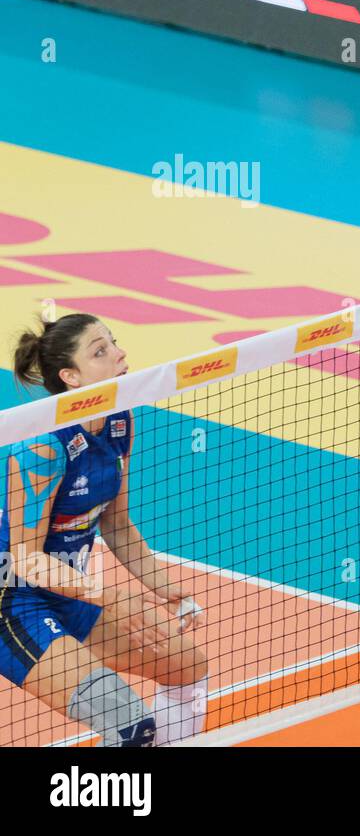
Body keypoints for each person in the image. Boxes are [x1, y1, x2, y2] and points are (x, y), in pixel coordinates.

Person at [4, 313, 208, 745]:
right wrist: (111, 595)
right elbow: (24, 559)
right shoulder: (41, 445)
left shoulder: (118, 420)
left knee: (185, 663)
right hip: (12, 599)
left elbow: (117, 525)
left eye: (113, 342)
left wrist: (167, 588)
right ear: (71, 377)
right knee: (131, 727)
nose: (120, 354)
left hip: (67, 590)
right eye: (100, 351)